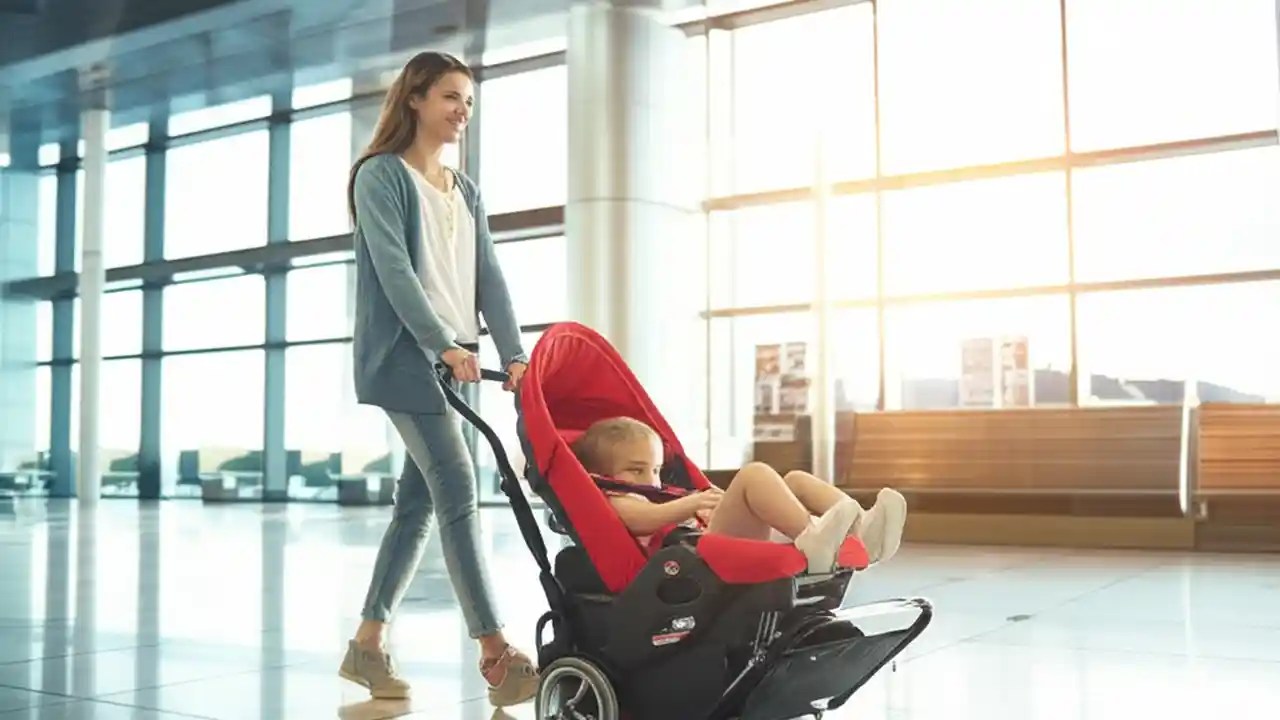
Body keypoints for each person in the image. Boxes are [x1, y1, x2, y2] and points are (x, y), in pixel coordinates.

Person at [338, 51, 537, 707]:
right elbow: (395, 274)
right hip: (407, 358)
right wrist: (440, 343)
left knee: (418, 505)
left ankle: (368, 645)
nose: (463, 112)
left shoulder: (464, 188)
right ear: (416, 98)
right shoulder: (379, 177)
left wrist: (514, 353)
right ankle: (496, 653)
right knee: (456, 486)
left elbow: (490, 277)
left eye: (470, 102)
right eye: (451, 97)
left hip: (457, 360)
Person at [572, 417, 908, 573]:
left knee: (797, 480)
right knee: (754, 475)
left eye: (657, 470)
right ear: (603, 476)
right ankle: (813, 537)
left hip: (712, 540)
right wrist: (690, 503)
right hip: (697, 562)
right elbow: (643, 522)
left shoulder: (659, 493)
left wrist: (709, 502)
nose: (652, 479)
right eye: (636, 470)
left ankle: (863, 532)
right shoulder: (615, 499)